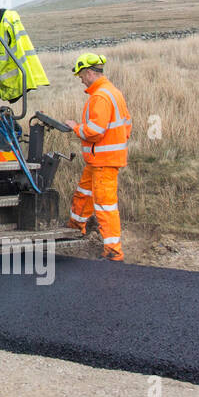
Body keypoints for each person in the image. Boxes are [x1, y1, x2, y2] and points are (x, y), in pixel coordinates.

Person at [64, 53, 131, 262]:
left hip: (104, 162)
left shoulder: (100, 97)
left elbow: (95, 131)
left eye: (82, 75)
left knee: (105, 205)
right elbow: (127, 124)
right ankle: (76, 228)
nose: (81, 80)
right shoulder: (112, 92)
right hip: (98, 161)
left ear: (90, 73)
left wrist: (76, 127)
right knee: (84, 193)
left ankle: (113, 252)